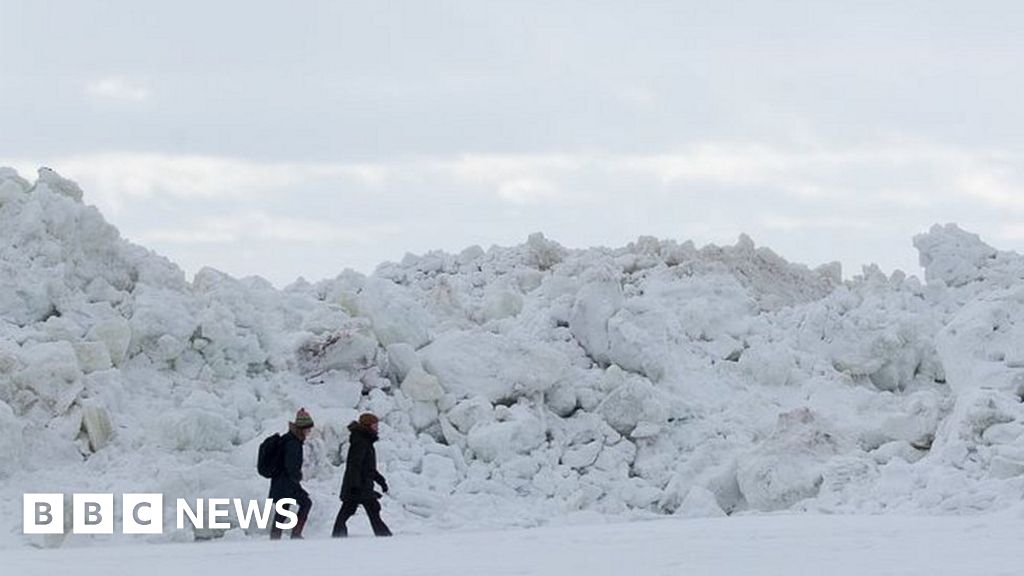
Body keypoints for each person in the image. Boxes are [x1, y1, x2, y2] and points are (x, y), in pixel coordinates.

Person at [332, 412, 392, 537]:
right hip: (359, 486)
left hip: (360, 485)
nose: (377, 428)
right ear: (368, 426)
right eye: (375, 425)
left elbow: (368, 467)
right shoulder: (360, 442)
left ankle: (338, 535)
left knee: (350, 510)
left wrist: (381, 480)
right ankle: (384, 536)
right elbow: (355, 465)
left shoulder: (365, 441)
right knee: (371, 509)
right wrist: (355, 485)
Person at [269, 408, 315, 540]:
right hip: (287, 483)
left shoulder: (289, 439)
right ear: (303, 428)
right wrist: (297, 477)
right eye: (308, 429)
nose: (309, 432)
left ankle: (275, 537)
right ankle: (295, 534)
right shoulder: (293, 443)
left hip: (280, 483)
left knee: (282, 511)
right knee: (306, 503)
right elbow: (291, 465)